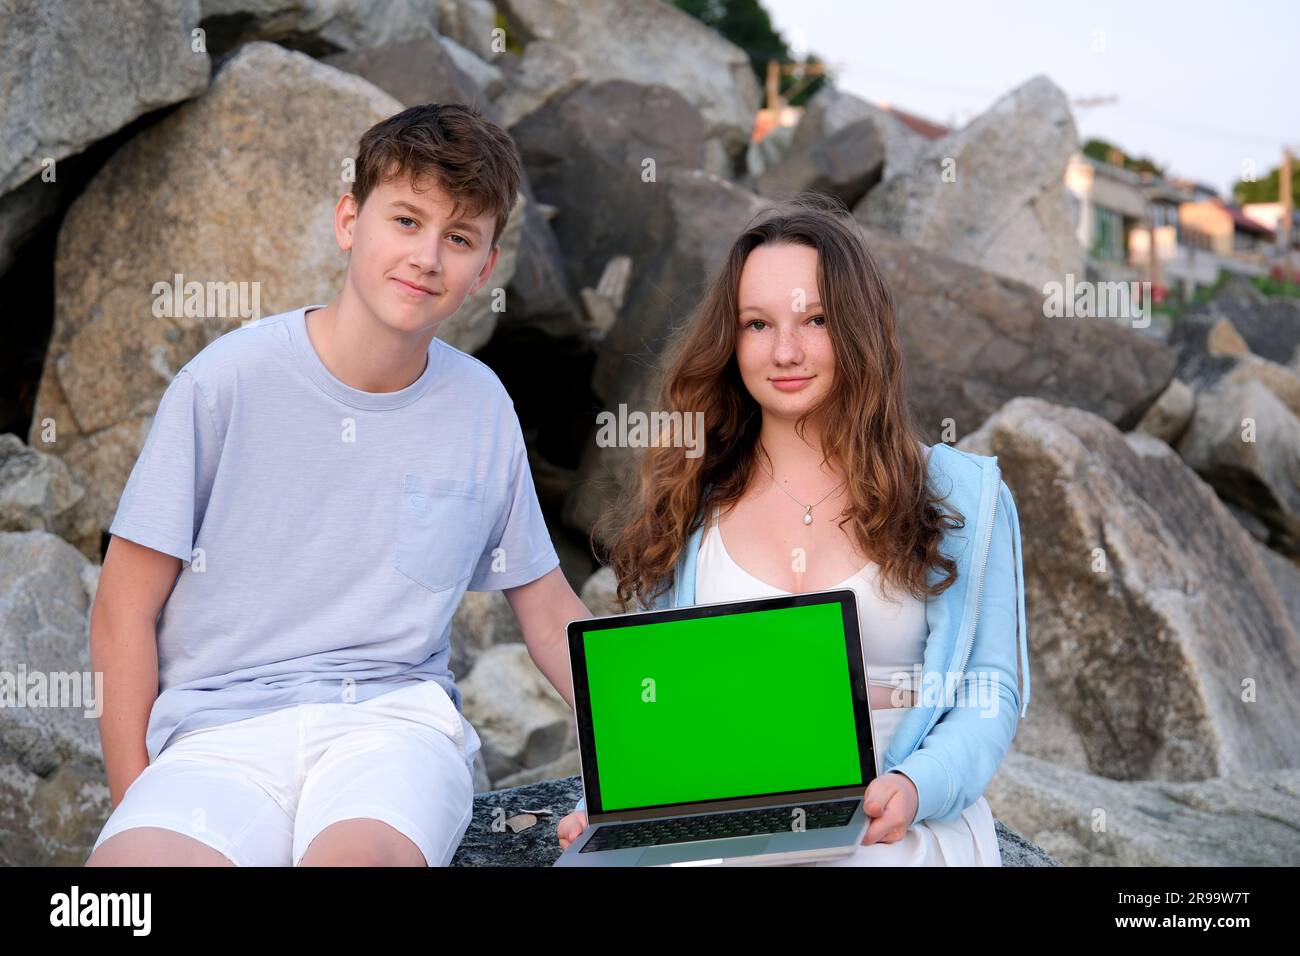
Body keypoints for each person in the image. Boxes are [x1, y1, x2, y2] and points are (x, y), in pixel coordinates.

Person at [86, 104, 591, 867]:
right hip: (217, 736)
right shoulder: (226, 382)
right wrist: (135, 794)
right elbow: (124, 605)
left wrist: (649, 756)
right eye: (407, 220)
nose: (426, 257)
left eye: (458, 238)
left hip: (392, 732)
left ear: (485, 267)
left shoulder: (481, 406)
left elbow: (549, 609)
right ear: (349, 220)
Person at [555, 193, 1030, 865]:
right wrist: (604, 810)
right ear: (730, 339)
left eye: (815, 319)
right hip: (728, 806)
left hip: (889, 814)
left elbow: (992, 689)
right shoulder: (691, 495)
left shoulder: (961, 495)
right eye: (757, 324)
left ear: (860, 328)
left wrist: (916, 787)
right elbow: (659, 707)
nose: (785, 350)